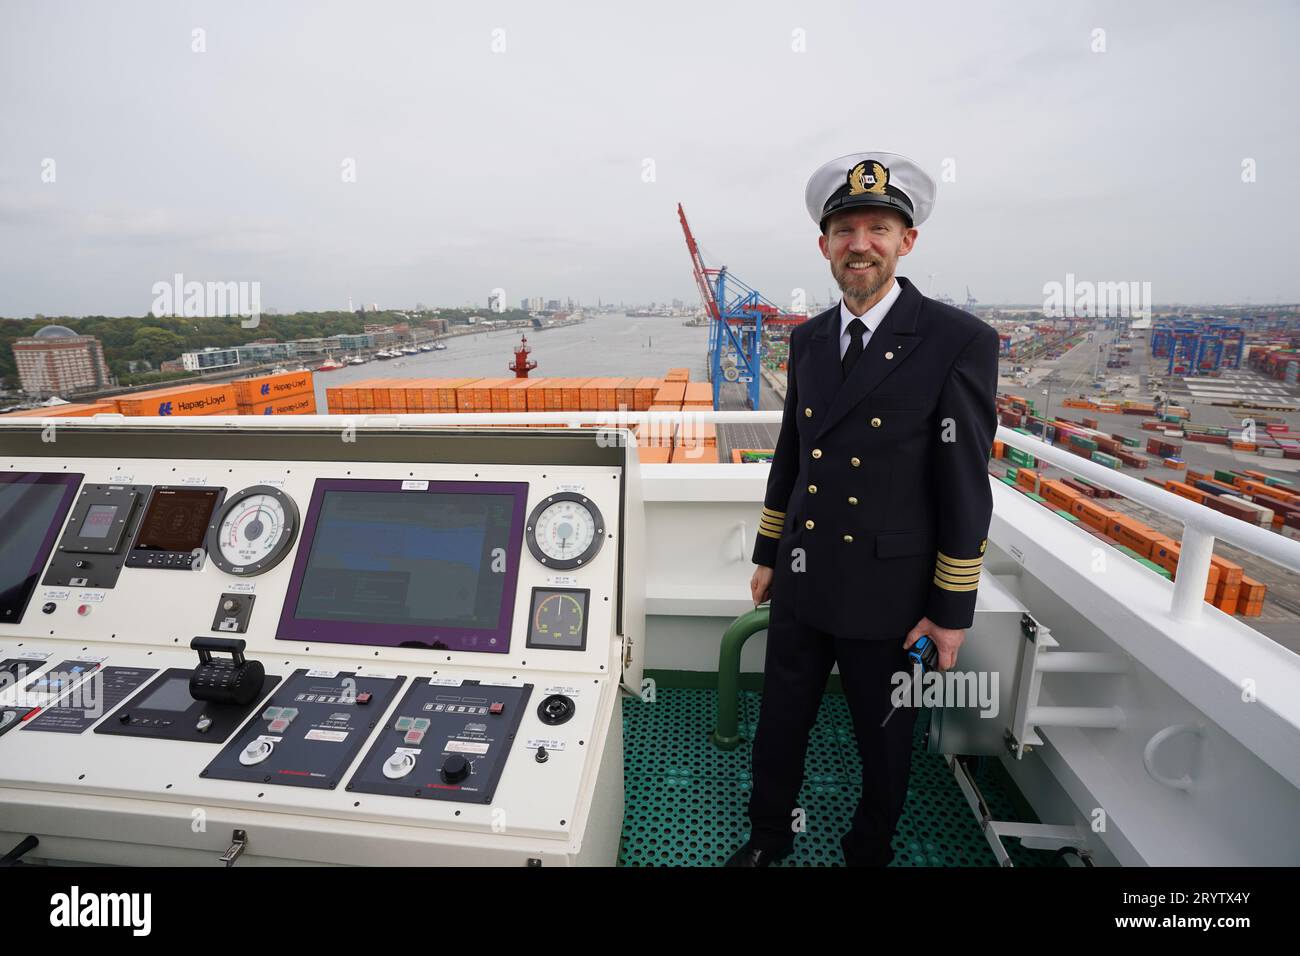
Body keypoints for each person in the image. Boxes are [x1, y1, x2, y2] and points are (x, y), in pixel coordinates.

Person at [726, 152, 999, 867]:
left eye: (879, 227)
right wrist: (766, 553)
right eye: (845, 228)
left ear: (907, 242)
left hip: (894, 593)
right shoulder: (809, 338)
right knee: (780, 721)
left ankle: (868, 850)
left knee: (885, 738)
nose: (860, 243)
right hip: (805, 576)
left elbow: (966, 485)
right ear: (824, 245)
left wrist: (950, 609)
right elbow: (794, 452)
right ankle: (767, 836)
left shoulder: (957, 341)